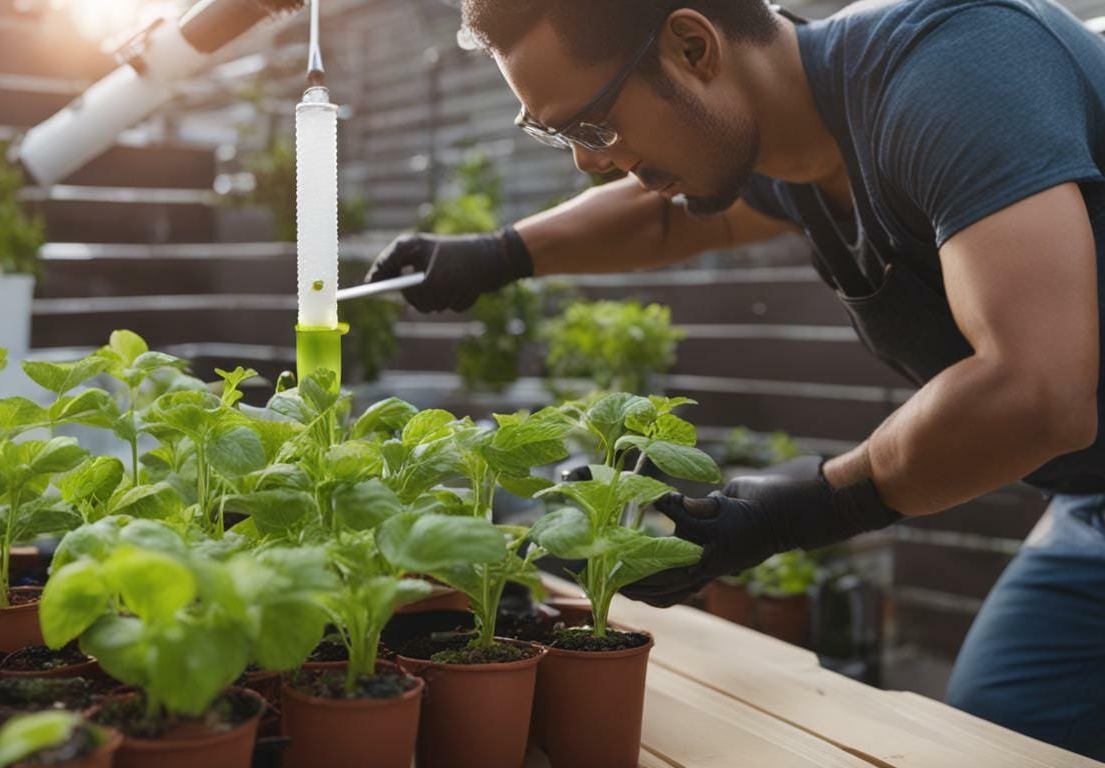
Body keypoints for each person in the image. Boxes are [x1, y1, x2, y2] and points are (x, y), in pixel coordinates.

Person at [364, 0, 1105, 756]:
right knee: (999, 731)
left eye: (592, 124)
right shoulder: (795, 138)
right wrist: (499, 252)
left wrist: (808, 507)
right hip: (1089, 506)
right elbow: (670, 218)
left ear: (693, 46)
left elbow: (1038, 390)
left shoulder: (952, 73)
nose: (585, 161)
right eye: (554, 133)